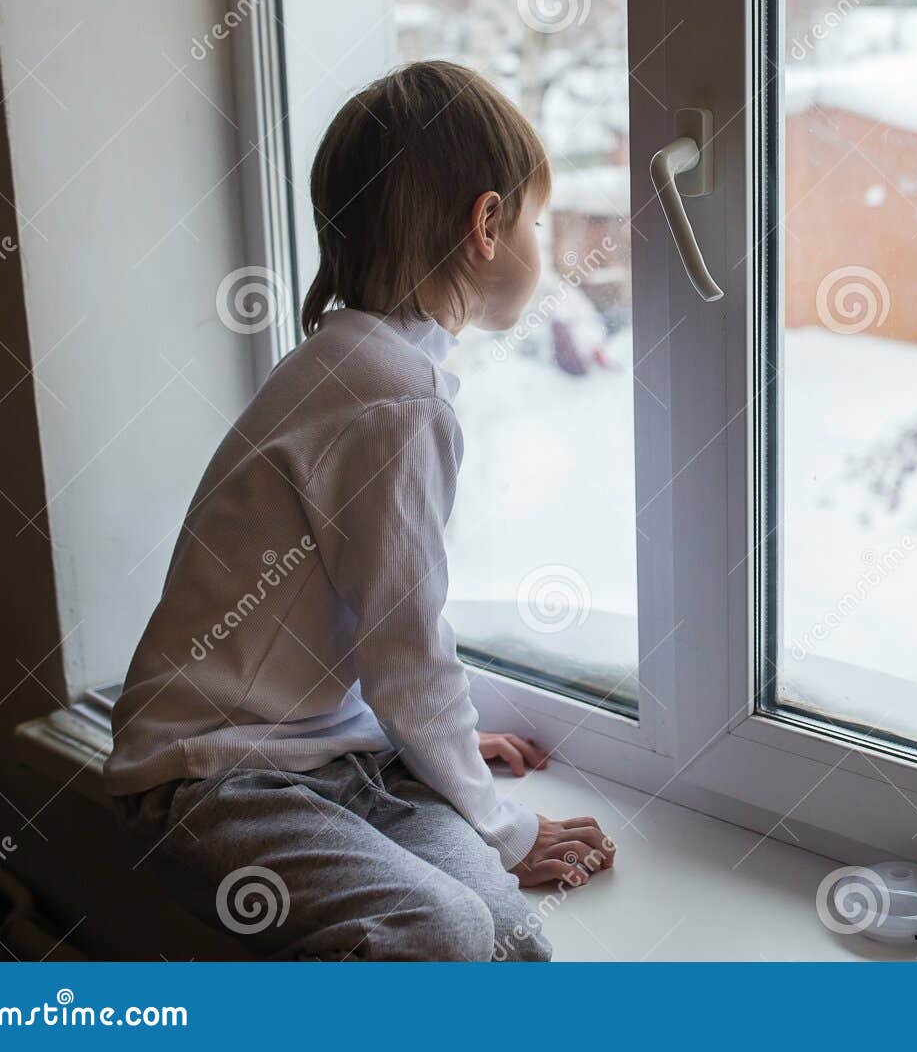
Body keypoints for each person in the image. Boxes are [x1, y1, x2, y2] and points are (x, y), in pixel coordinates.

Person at [106, 60, 612, 961]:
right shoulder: (391, 395)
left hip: (333, 756)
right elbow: (403, 646)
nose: (544, 238)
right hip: (214, 776)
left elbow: (370, 641)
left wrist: (427, 746)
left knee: (509, 936)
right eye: (534, 217)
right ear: (486, 226)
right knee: (441, 931)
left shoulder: (364, 366)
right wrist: (501, 822)